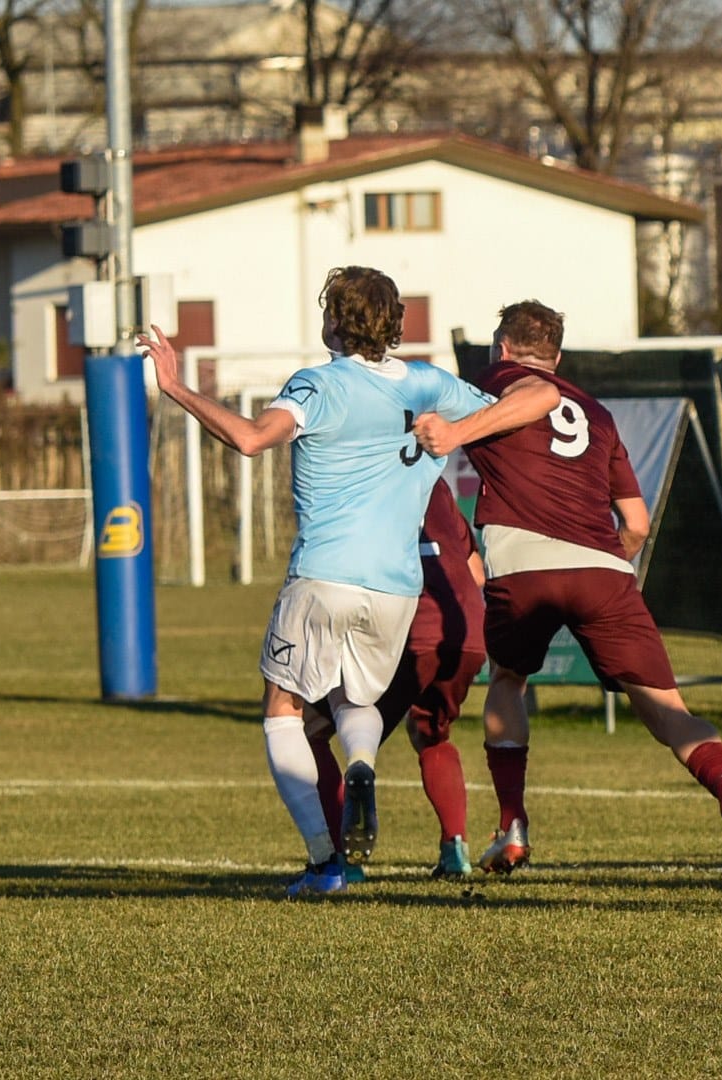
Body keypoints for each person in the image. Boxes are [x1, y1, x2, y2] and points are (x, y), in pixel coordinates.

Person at [140, 266, 560, 897]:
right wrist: (459, 430)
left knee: (283, 708)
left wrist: (174, 387)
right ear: (393, 324)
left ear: (334, 320)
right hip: (395, 589)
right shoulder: (428, 382)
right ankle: (361, 763)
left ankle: (322, 863)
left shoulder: (317, 385)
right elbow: (541, 399)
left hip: (324, 576)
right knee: (352, 700)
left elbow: (253, 440)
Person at [413, 300, 722, 883]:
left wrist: (455, 431)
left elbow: (539, 396)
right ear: (558, 354)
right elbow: (635, 522)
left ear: (501, 347)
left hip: (525, 563)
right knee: (667, 709)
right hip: (603, 568)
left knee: (508, 681)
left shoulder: (499, 382)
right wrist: (603, 566)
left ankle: (512, 826)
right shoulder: (599, 415)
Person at [306, 477, 487, 880]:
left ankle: (342, 858)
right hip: (466, 628)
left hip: (404, 624)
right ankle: (454, 848)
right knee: (431, 732)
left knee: (312, 728)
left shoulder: (358, 469)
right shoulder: (434, 480)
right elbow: (476, 573)